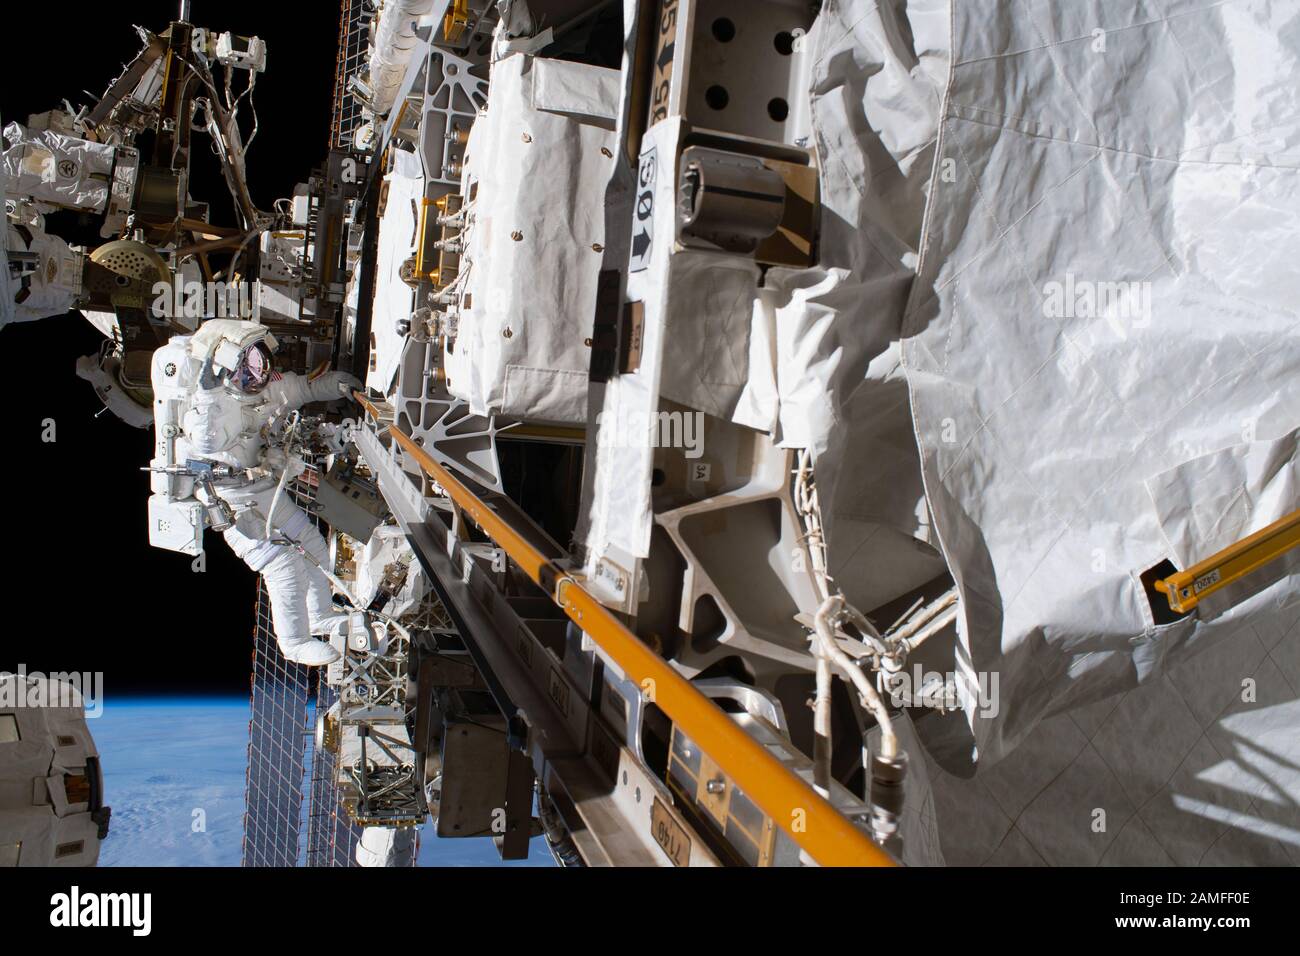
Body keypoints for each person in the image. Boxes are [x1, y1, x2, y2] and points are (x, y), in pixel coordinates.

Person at [175, 320, 362, 666]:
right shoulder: (207, 409)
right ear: (224, 367)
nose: (254, 375)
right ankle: (294, 642)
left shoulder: (261, 389)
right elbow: (207, 440)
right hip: (234, 504)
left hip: (261, 488)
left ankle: (319, 614)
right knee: (283, 563)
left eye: (257, 364)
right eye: (245, 368)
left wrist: (335, 385)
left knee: (312, 542)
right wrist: (208, 393)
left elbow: (302, 390)